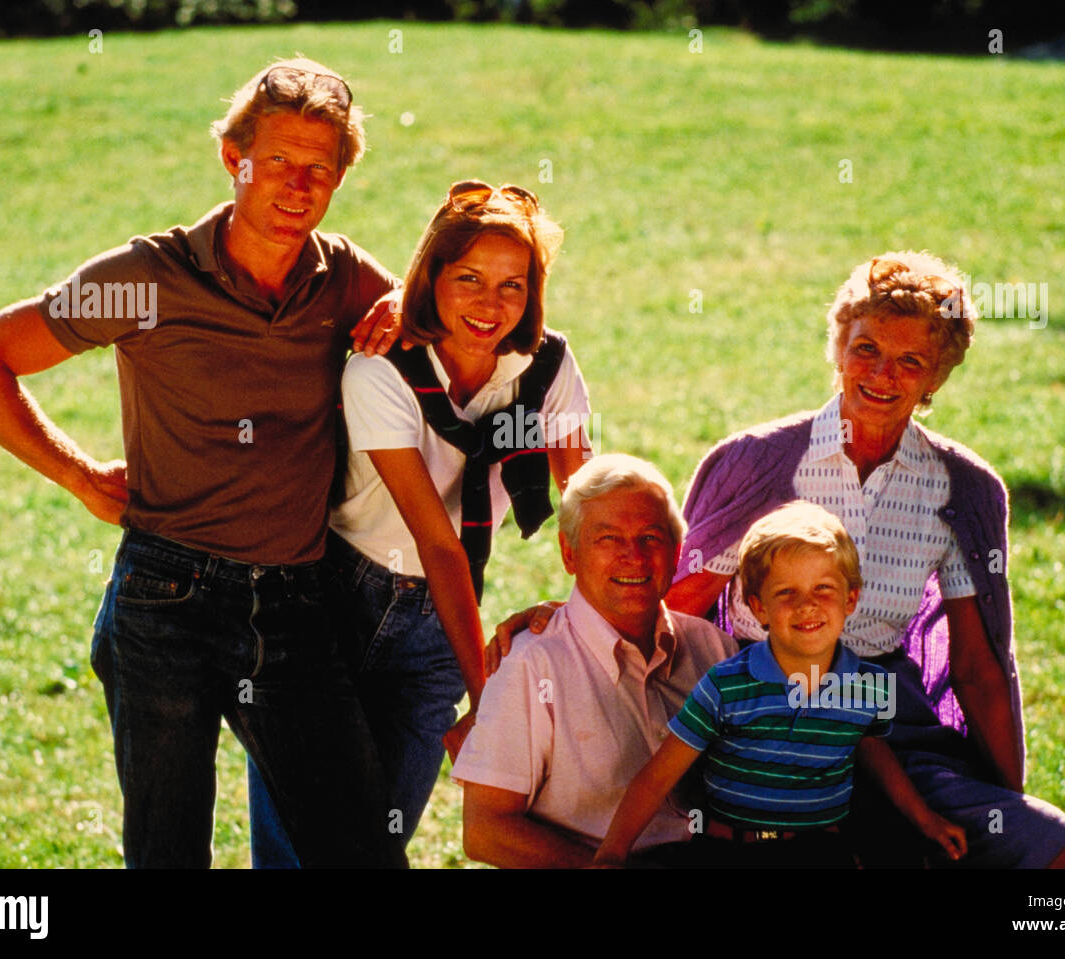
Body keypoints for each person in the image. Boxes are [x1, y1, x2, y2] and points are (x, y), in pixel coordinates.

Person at [0, 58, 407, 868]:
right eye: (280, 164)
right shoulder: (148, 282)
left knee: (361, 848)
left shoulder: (344, 278)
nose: (298, 187)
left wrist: (408, 302)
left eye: (320, 172)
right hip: (166, 599)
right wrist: (80, 475)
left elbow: (451, 312)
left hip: (296, 602)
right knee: (166, 854)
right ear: (235, 159)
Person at [666, 251, 1065, 867]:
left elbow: (978, 666)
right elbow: (674, 611)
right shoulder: (757, 462)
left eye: (910, 361)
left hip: (893, 725)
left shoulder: (962, 489)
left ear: (936, 378)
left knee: (1052, 849)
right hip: (760, 723)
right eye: (866, 349)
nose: (882, 375)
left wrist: (1001, 802)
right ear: (838, 348)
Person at [247, 180, 592, 865]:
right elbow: (438, 543)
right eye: (468, 279)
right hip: (332, 600)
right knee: (301, 842)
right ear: (430, 278)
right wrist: (490, 708)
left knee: (378, 841)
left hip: (442, 621)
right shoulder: (380, 371)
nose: (491, 305)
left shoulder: (546, 365)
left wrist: (594, 624)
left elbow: (588, 505)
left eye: (511, 285)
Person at [594, 501, 968, 867]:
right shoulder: (727, 686)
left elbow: (871, 748)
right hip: (730, 850)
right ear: (758, 607)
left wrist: (925, 819)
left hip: (820, 852)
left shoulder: (868, 686)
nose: (807, 605)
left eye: (823, 588)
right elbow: (658, 776)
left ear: (850, 598)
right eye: (786, 592)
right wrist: (612, 853)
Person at [451, 454, 737, 867]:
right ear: (569, 554)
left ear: (676, 553)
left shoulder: (713, 649)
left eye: (651, 538)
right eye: (608, 539)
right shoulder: (531, 665)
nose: (633, 556)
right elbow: (486, 832)